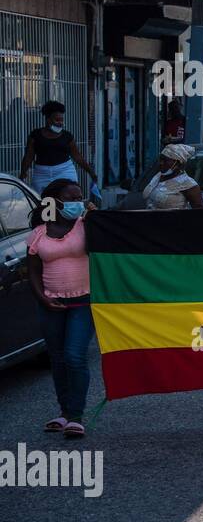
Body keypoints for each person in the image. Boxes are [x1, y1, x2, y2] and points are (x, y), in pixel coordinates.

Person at [26, 178, 94, 440]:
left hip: (83, 301)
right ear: (54, 201)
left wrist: (95, 220)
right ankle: (64, 412)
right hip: (51, 303)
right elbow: (33, 271)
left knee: (74, 356)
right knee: (57, 358)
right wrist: (42, 298)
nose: (77, 202)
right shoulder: (39, 232)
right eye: (71, 198)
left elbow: (101, 249)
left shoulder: (85, 225)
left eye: (80, 197)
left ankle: (76, 416)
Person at [19, 101, 95, 194]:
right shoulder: (35, 135)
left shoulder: (67, 136)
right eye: (57, 120)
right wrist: (23, 173)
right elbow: (28, 156)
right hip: (41, 173)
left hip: (64, 171)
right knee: (39, 200)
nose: (60, 123)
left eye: (62, 120)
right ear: (48, 120)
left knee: (69, 197)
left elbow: (77, 156)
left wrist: (90, 172)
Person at [143, 143, 203, 210]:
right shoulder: (158, 176)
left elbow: (201, 212)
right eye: (160, 159)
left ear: (178, 163)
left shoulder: (188, 184)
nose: (161, 163)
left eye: (165, 160)